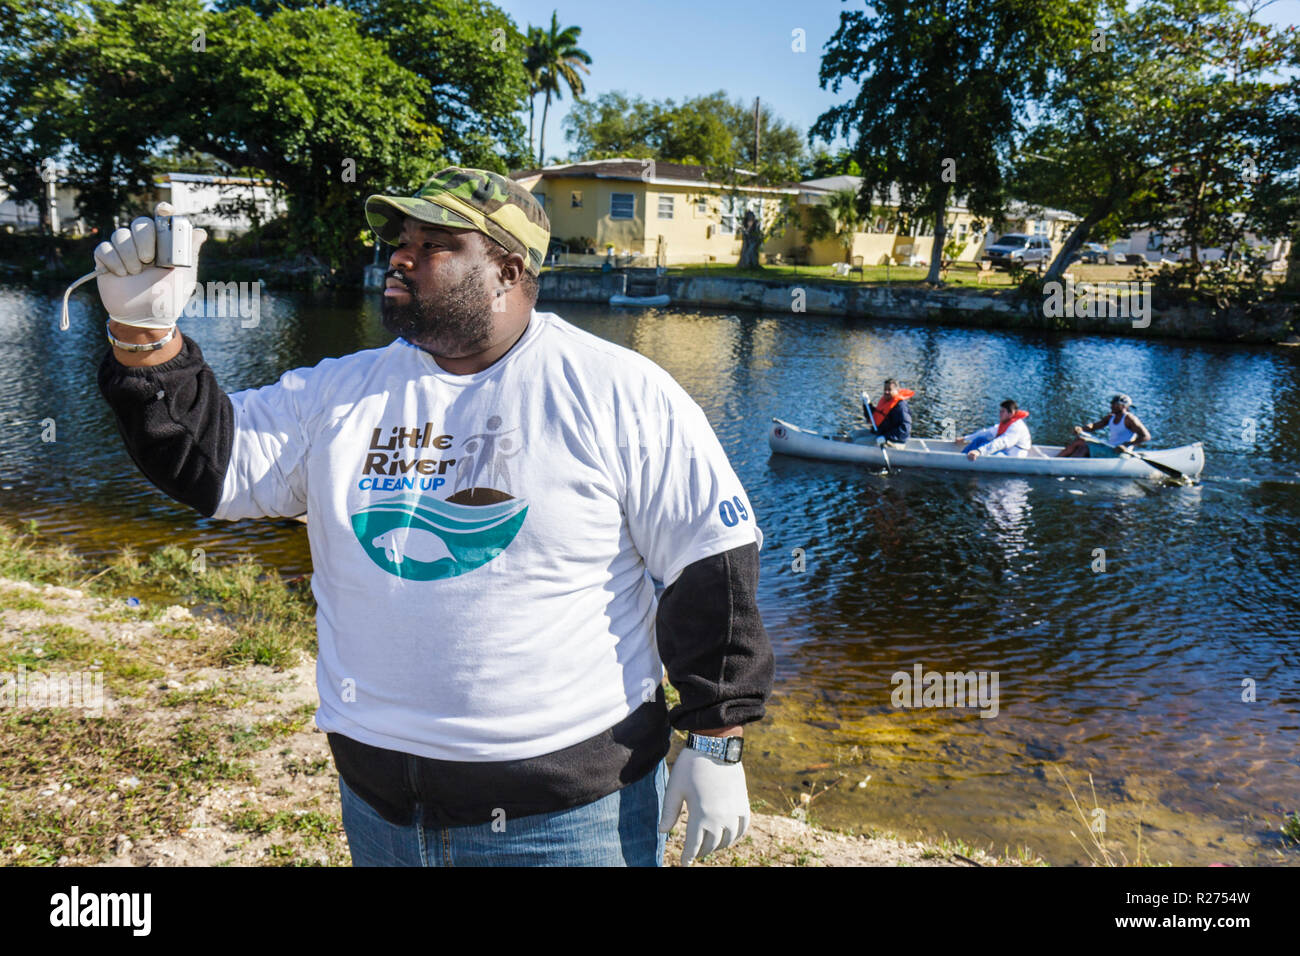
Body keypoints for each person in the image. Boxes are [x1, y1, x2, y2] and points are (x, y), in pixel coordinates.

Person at [92, 167, 774, 868]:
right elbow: (211, 463)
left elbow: (709, 563)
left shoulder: (617, 392)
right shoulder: (339, 394)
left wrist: (716, 735)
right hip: (381, 808)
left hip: (568, 820)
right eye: (399, 239)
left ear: (507, 270)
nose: (400, 255)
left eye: (434, 243)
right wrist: (145, 336)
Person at [1057, 394, 1151, 457]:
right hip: (1110, 447)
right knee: (1080, 441)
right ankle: (1058, 459)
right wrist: (1081, 428)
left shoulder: (1130, 419)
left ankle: (1066, 464)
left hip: (1120, 453)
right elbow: (1094, 426)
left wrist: (1126, 445)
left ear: (1123, 406)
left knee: (1085, 447)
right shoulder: (1111, 417)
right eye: (1112, 404)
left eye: (1115, 404)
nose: (1111, 406)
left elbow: (1146, 436)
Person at [956, 399, 1032, 459]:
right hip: (1004, 451)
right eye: (1000, 411)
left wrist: (979, 451)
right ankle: (961, 456)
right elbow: (987, 433)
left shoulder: (1016, 427)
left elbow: (1001, 442)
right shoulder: (1007, 422)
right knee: (980, 439)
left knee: (988, 450)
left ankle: (963, 459)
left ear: (1011, 413)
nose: (1000, 414)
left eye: (1002, 412)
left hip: (1012, 456)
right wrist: (965, 438)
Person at [866, 378, 913, 446]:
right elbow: (874, 418)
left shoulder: (901, 407)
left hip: (894, 441)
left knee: (858, 441)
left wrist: (886, 437)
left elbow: (905, 429)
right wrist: (867, 404)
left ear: (896, 391)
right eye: (885, 390)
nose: (886, 392)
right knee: (855, 434)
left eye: (889, 390)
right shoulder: (886, 401)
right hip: (882, 435)